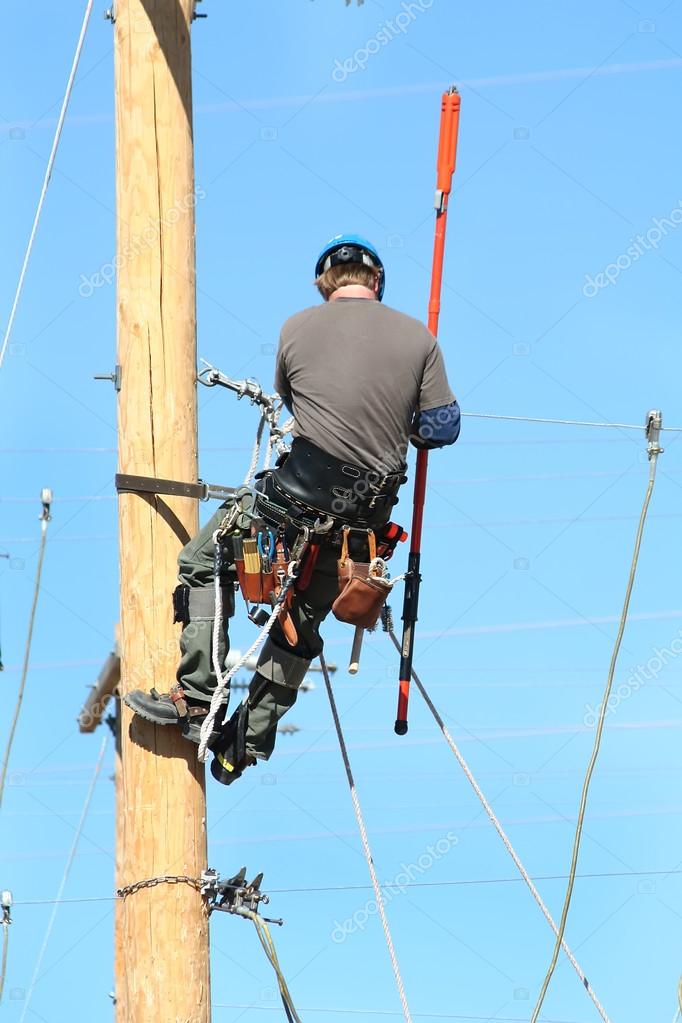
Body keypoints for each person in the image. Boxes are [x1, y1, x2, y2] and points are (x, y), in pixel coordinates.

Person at [124, 234, 460, 784]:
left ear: (323, 283)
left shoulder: (295, 328)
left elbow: (295, 400)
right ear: (376, 283)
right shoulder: (419, 339)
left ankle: (197, 696)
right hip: (360, 529)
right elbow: (441, 429)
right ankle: (244, 744)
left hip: (288, 504)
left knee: (204, 563)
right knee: (296, 625)